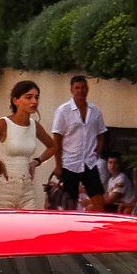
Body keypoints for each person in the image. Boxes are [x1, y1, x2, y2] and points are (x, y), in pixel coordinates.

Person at [0, 79, 59, 210]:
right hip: (5, 186)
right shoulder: (4, 123)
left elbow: (53, 146)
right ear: (16, 100)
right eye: (28, 97)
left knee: (29, 228)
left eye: (36, 97)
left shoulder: (34, 125)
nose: (34, 101)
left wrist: (35, 162)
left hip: (26, 186)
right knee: (1, 228)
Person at [51, 73, 108, 208]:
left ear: (87, 89)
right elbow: (57, 139)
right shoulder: (63, 111)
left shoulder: (95, 110)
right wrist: (58, 165)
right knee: (70, 202)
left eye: (83, 87)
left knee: (98, 198)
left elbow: (101, 134)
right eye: (77, 88)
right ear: (72, 90)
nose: (80, 91)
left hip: (89, 162)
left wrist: (97, 151)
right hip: (70, 163)